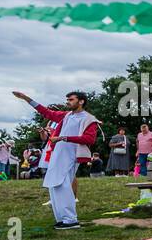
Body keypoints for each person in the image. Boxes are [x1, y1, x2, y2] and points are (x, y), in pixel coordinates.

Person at [12, 90, 100, 228]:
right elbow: (46, 112)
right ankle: (62, 219)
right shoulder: (66, 115)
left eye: (71, 99)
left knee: (64, 185)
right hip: (58, 153)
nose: (68, 102)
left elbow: (90, 139)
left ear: (81, 101)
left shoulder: (89, 119)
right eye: (67, 100)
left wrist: (63, 138)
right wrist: (27, 99)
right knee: (54, 185)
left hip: (72, 155)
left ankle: (71, 220)